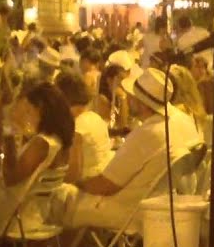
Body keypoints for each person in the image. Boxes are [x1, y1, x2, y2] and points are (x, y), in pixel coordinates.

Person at [63, 68, 202, 234]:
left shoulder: (148, 134)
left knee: (60, 197)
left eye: (130, 96)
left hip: (129, 211)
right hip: (162, 202)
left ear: (140, 103)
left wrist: (77, 182)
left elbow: (105, 186)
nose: (127, 98)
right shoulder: (182, 120)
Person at [55, 70, 113, 180]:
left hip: (86, 189)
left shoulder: (76, 128)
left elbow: (74, 173)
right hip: (101, 177)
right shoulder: (95, 117)